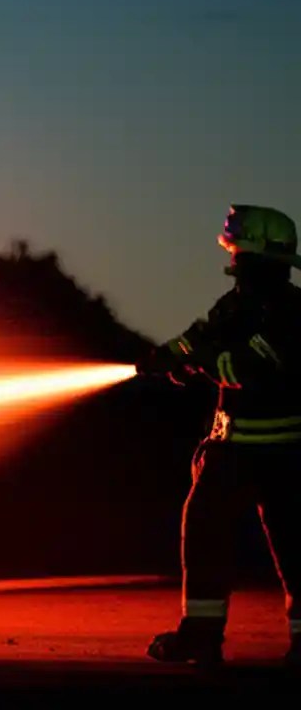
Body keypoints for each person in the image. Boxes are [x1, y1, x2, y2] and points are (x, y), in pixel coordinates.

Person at [137, 205, 301, 667]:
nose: (235, 265)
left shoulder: (291, 314)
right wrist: (164, 356)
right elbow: (198, 339)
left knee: (296, 547)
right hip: (232, 452)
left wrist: (198, 363)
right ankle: (201, 636)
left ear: (258, 258)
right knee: (204, 533)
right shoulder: (235, 304)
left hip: (285, 457)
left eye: (239, 254)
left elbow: (242, 367)